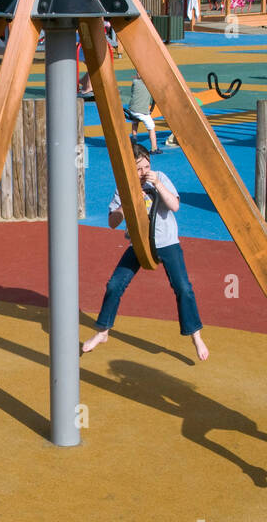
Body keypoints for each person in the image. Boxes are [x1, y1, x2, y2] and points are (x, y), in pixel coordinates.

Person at [82, 141, 209, 361]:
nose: (143, 172)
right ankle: (102, 332)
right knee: (114, 284)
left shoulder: (159, 176)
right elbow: (112, 222)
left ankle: (195, 335)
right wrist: (127, 206)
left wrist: (157, 184)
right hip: (139, 243)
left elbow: (175, 206)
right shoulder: (125, 186)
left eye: (145, 167)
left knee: (183, 288)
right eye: (138, 169)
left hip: (167, 242)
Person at [123, 76, 162, 153]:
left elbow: (133, 91)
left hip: (132, 110)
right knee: (151, 126)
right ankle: (154, 148)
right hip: (143, 112)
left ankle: (134, 137)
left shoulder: (135, 81)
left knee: (135, 120)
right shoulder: (150, 84)